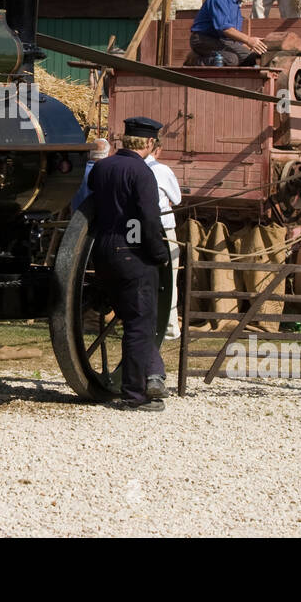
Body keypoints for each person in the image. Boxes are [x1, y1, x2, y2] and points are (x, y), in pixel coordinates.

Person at [87, 116, 172, 411]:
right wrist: (159, 254)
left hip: (103, 252)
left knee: (129, 316)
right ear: (149, 143)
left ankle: (149, 379)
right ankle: (135, 395)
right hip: (133, 254)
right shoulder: (143, 173)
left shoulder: (101, 168)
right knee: (139, 325)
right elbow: (148, 220)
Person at [189, 0, 267, 66]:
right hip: (203, 39)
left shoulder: (236, 2)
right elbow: (224, 28)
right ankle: (195, 61)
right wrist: (249, 40)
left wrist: (249, 45)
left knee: (249, 58)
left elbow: (232, 35)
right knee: (231, 59)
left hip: (220, 40)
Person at [145, 137, 183, 340]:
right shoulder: (162, 170)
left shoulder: (132, 168)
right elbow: (176, 199)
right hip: (163, 228)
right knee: (170, 277)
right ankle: (169, 327)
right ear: (156, 150)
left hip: (137, 227)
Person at [71, 138, 111, 211]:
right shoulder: (107, 174)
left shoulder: (77, 173)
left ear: (89, 154)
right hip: (96, 219)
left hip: (76, 218)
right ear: (107, 154)